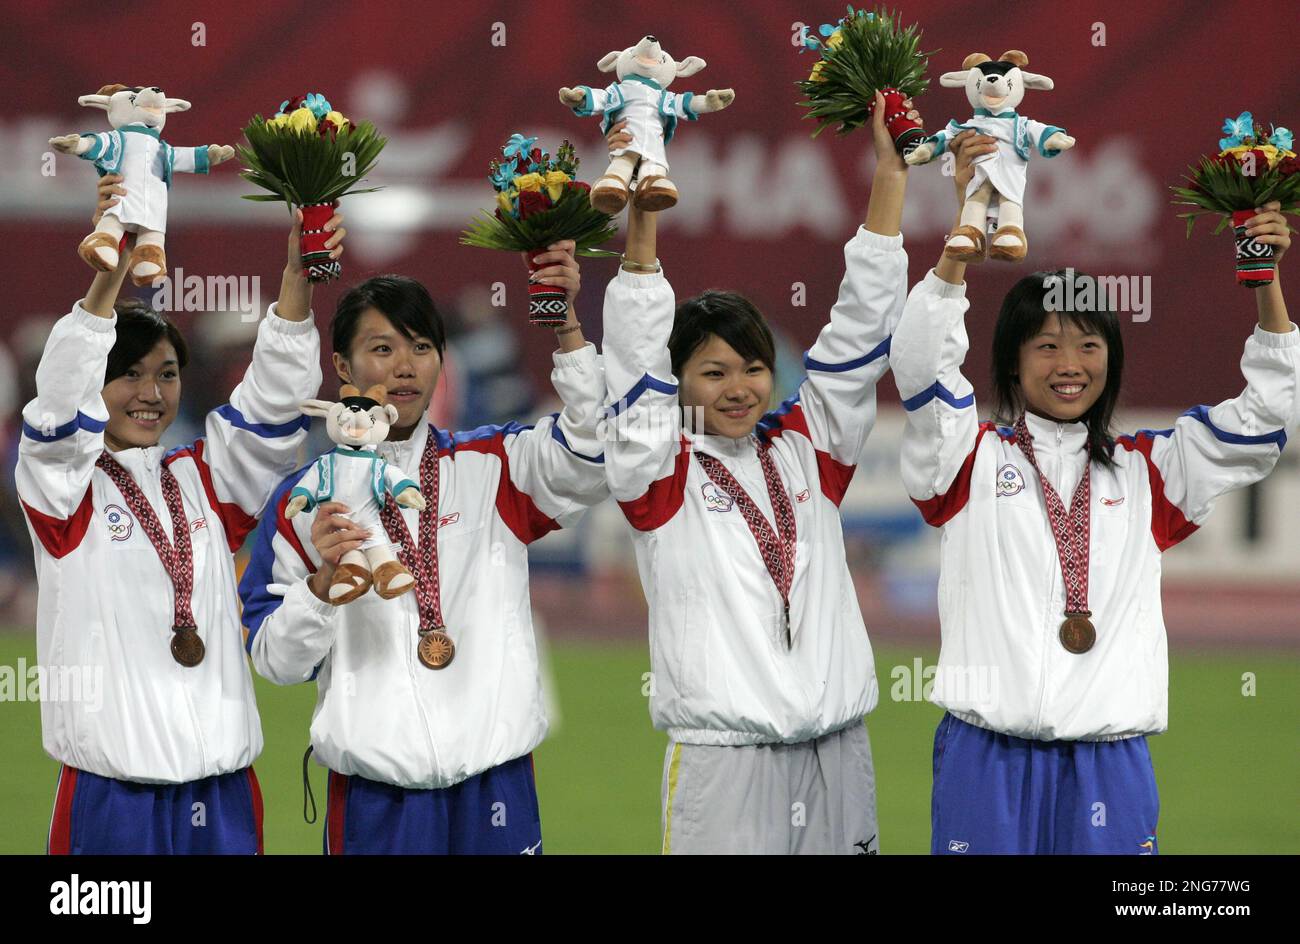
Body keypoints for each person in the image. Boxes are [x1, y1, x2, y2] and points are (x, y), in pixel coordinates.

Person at [890, 130, 1300, 854]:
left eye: (1089, 345)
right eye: (1046, 346)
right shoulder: (967, 458)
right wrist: (957, 251)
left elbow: (1267, 415)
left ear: (1112, 359)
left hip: (1110, 762)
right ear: (1012, 365)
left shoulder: (1151, 472)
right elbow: (923, 370)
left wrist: (1265, 282)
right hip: (985, 760)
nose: (1070, 365)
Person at [600, 94, 912, 854]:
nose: (739, 387)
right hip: (723, 763)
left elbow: (861, 332)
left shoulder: (811, 448)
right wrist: (641, 225)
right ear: (676, 383)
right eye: (712, 371)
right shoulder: (657, 472)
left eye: (753, 368)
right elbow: (636, 366)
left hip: (839, 751)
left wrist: (891, 175)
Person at [239, 243, 607, 854]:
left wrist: (566, 325)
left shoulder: (494, 465)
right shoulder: (305, 500)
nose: (404, 367)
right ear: (344, 368)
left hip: (496, 785)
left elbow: (594, 456)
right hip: (377, 800)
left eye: (421, 347)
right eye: (382, 349)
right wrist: (320, 592)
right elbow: (276, 661)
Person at [19, 174, 345, 853]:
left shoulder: (201, 477)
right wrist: (107, 280)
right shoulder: (62, 491)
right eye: (129, 374)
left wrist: (296, 276)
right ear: (96, 385)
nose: (150, 392)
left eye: (165, 373)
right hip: (112, 803)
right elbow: (54, 410)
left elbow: (271, 406)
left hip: (222, 795)